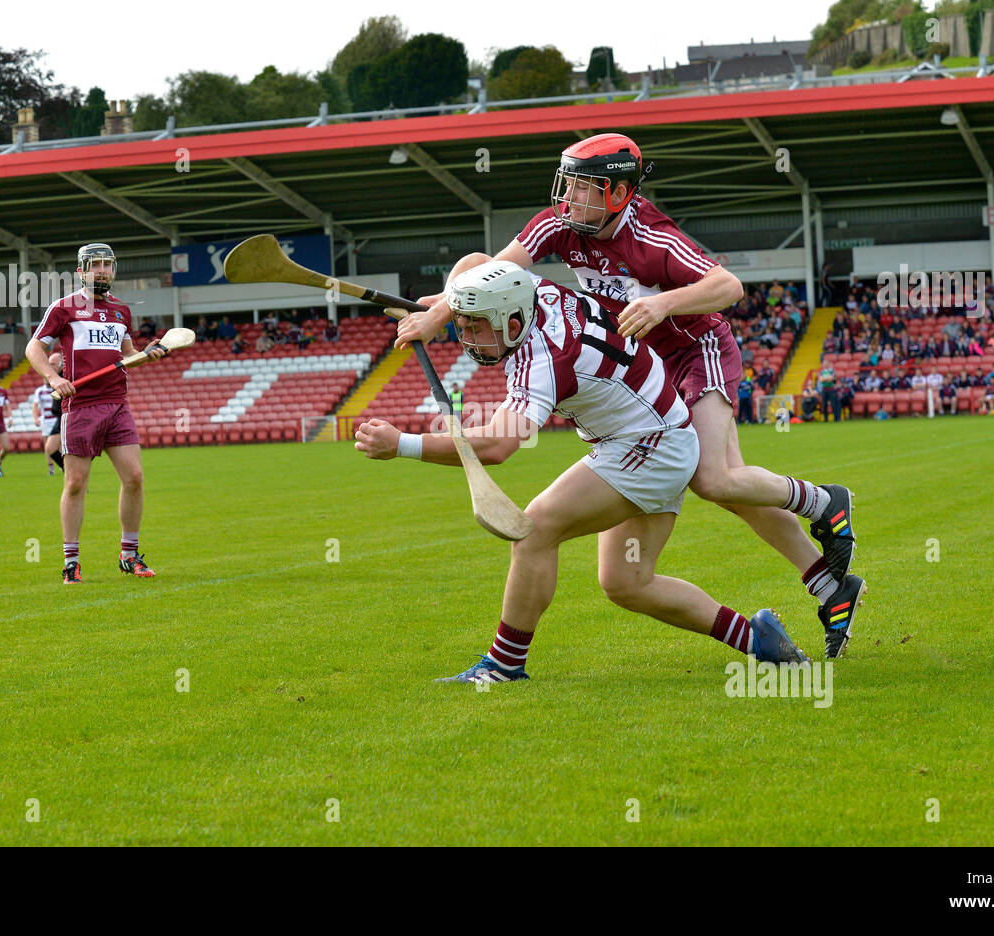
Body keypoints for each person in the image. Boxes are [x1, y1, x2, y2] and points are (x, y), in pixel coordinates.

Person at [394, 133, 863, 658]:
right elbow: (491, 269)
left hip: (692, 348)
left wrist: (665, 306)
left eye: (584, 187)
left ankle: (823, 501)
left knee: (716, 478)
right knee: (722, 488)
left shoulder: (652, 238)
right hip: (644, 365)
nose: (569, 197)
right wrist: (436, 316)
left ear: (618, 193)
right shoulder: (559, 224)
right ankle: (827, 583)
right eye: (567, 184)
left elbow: (728, 287)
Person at [356, 259, 811, 684]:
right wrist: (441, 308)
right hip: (658, 434)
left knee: (535, 529)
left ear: (513, 323)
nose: (468, 339)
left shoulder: (544, 360)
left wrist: (402, 445)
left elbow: (497, 445)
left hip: (648, 447)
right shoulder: (525, 289)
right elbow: (478, 260)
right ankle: (757, 639)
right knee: (627, 583)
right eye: (464, 326)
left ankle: (504, 664)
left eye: (478, 328)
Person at [26, 243, 168, 584]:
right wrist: (53, 377)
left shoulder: (122, 311)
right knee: (75, 483)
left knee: (134, 477)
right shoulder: (64, 308)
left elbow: (128, 354)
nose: (102, 270)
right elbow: (34, 346)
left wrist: (147, 354)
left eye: (107, 264)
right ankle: (71, 562)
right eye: (94, 265)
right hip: (81, 405)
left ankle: (129, 555)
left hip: (118, 404)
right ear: (81, 271)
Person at [31, 352, 65, 475]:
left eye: (53, 364)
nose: (50, 367)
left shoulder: (65, 377)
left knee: (67, 450)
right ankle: (68, 471)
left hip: (66, 417)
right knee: (50, 448)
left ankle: (72, 475)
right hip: (59, 418)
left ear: (62, 364)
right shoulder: (55, 378)